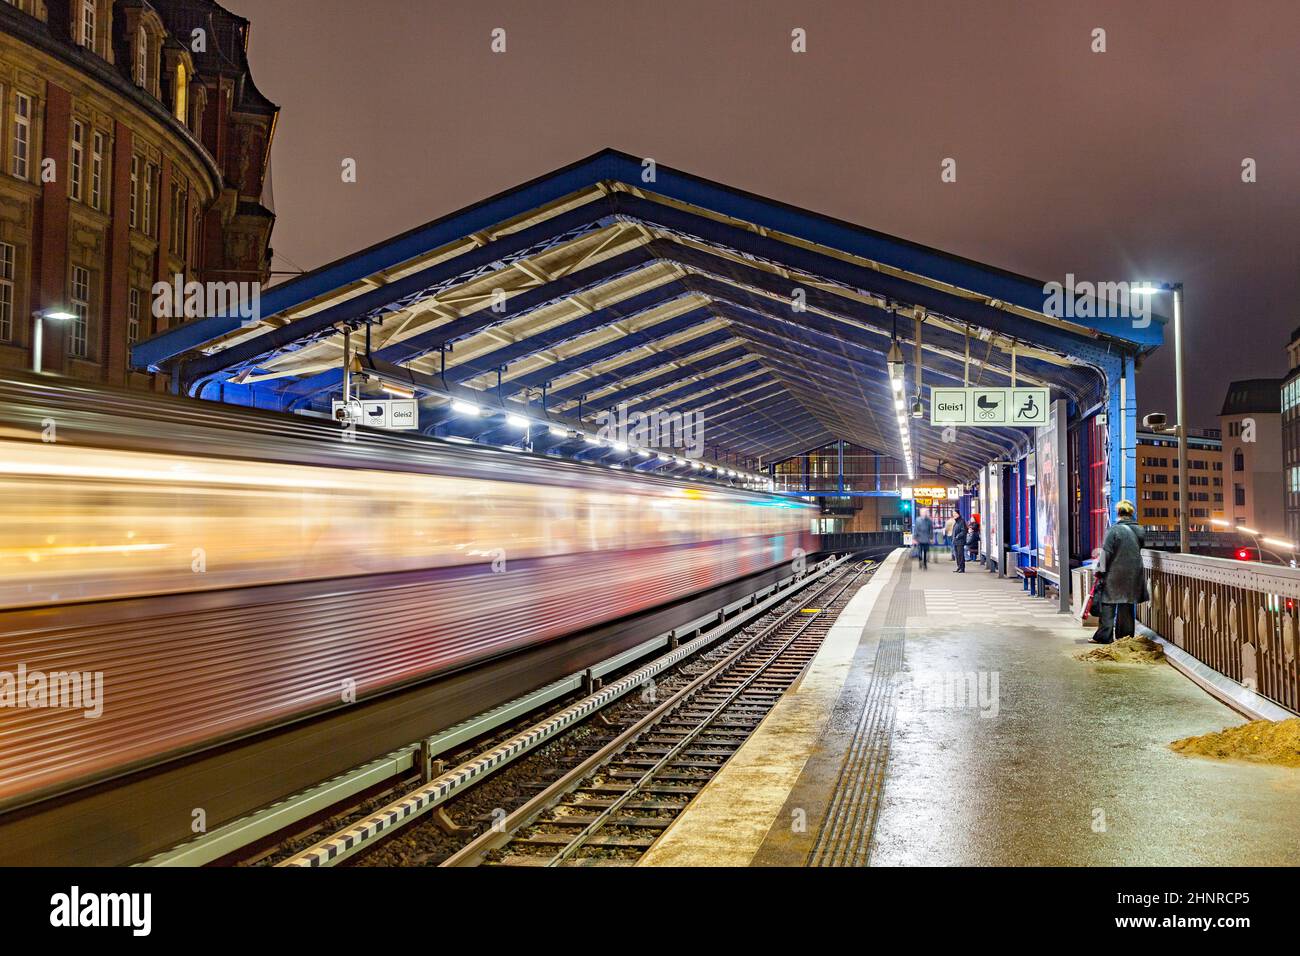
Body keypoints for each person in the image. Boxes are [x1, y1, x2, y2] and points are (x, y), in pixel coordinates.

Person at [1091, 500, 1147, 644]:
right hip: (1134, 575)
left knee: (1108, 604)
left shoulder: (1114, 530)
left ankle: (1105, 636)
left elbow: (1106, 553)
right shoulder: (1140, 530)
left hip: (1115, 574)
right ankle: (1125, 638)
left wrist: (1099, 570)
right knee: (1127, 606)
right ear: (1131, 513)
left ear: (1118, 513)